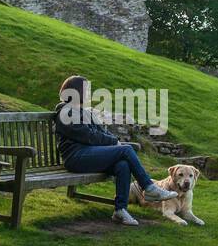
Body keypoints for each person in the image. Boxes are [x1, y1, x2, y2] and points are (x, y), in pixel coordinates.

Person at [54, 75, 175, 225]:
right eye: (87, 90)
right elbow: (89, 136)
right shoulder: (66, 112)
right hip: (76, 157)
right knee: (126, 150)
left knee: (123, 165)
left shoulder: (84, 112)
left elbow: (102, 132)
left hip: (89, 154)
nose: (89, 94)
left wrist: (114, 141)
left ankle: (120, 210)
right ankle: (149, 187)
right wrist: (115, 143)